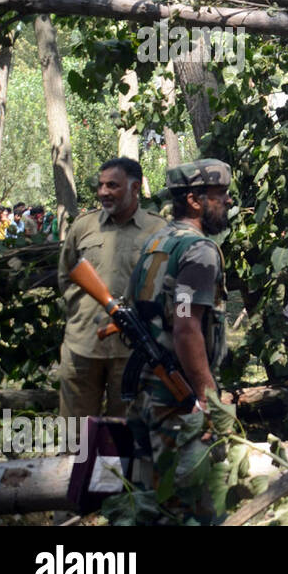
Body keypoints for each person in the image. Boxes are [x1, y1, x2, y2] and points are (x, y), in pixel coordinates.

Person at [126, 159, 233, 472]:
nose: (228, 200)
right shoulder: (199, 251)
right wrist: (207, 398)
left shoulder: (159, 240)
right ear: (194, 200)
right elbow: (186, 328)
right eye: (220, 193)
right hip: (177, 398)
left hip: (147, 392)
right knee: (191, 500)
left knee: (151, 497)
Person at [57, 158, 168, 419]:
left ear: (135, 188)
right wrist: (80, 316)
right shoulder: (83, 226)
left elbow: (167, 288)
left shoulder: (159, 230)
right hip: (82, 346)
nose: (104, 192)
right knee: (76, 440)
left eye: (113, 185)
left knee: (126, 441)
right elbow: (66, 276)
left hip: (133, 352)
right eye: (101, 185)